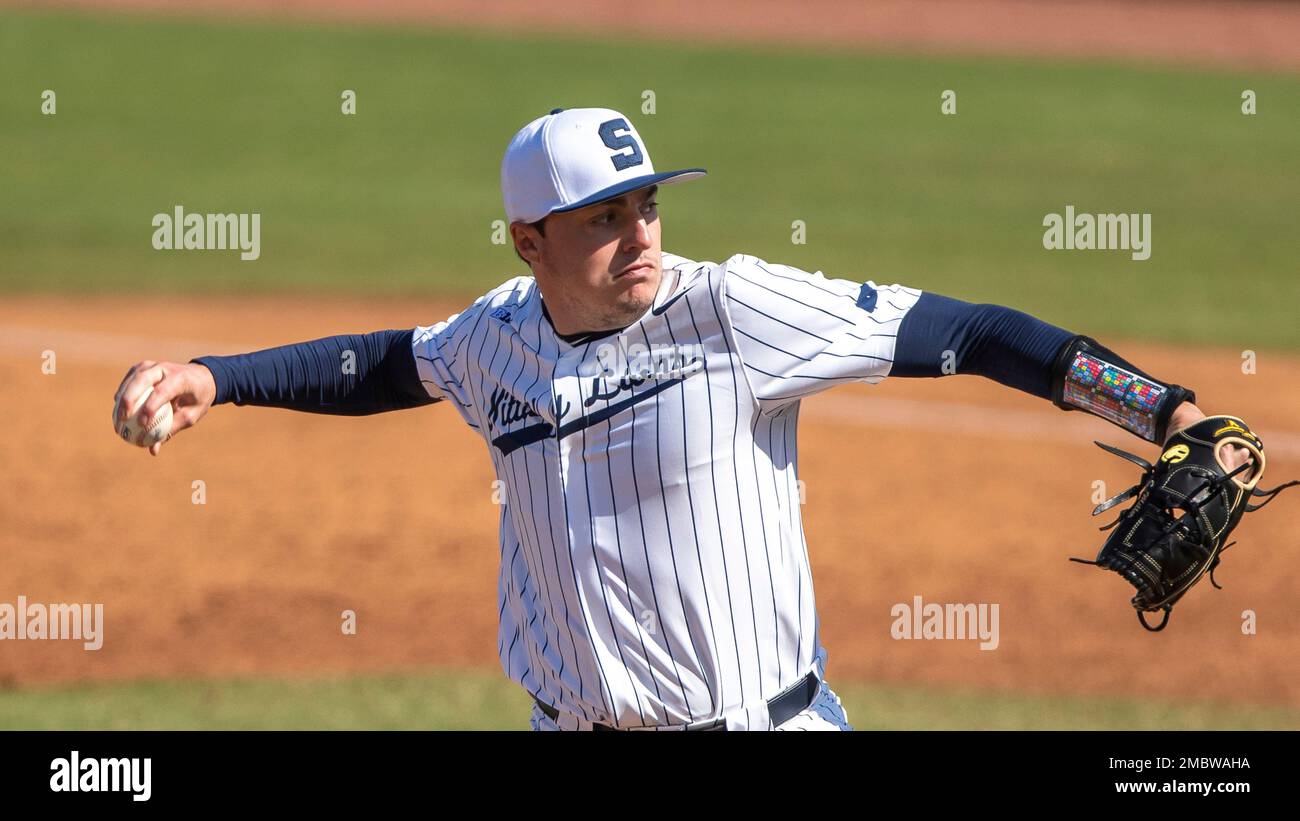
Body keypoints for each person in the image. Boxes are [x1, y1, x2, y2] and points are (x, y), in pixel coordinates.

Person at [112, 107, 1235, 731]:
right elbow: (391, 363)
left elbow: (979, 329)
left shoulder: (733, 307)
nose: (642, 235)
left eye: (646, 203)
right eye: (603, 218)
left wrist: (1165, 408)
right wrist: (218, 377)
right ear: (528, 243)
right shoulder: (497, 333)